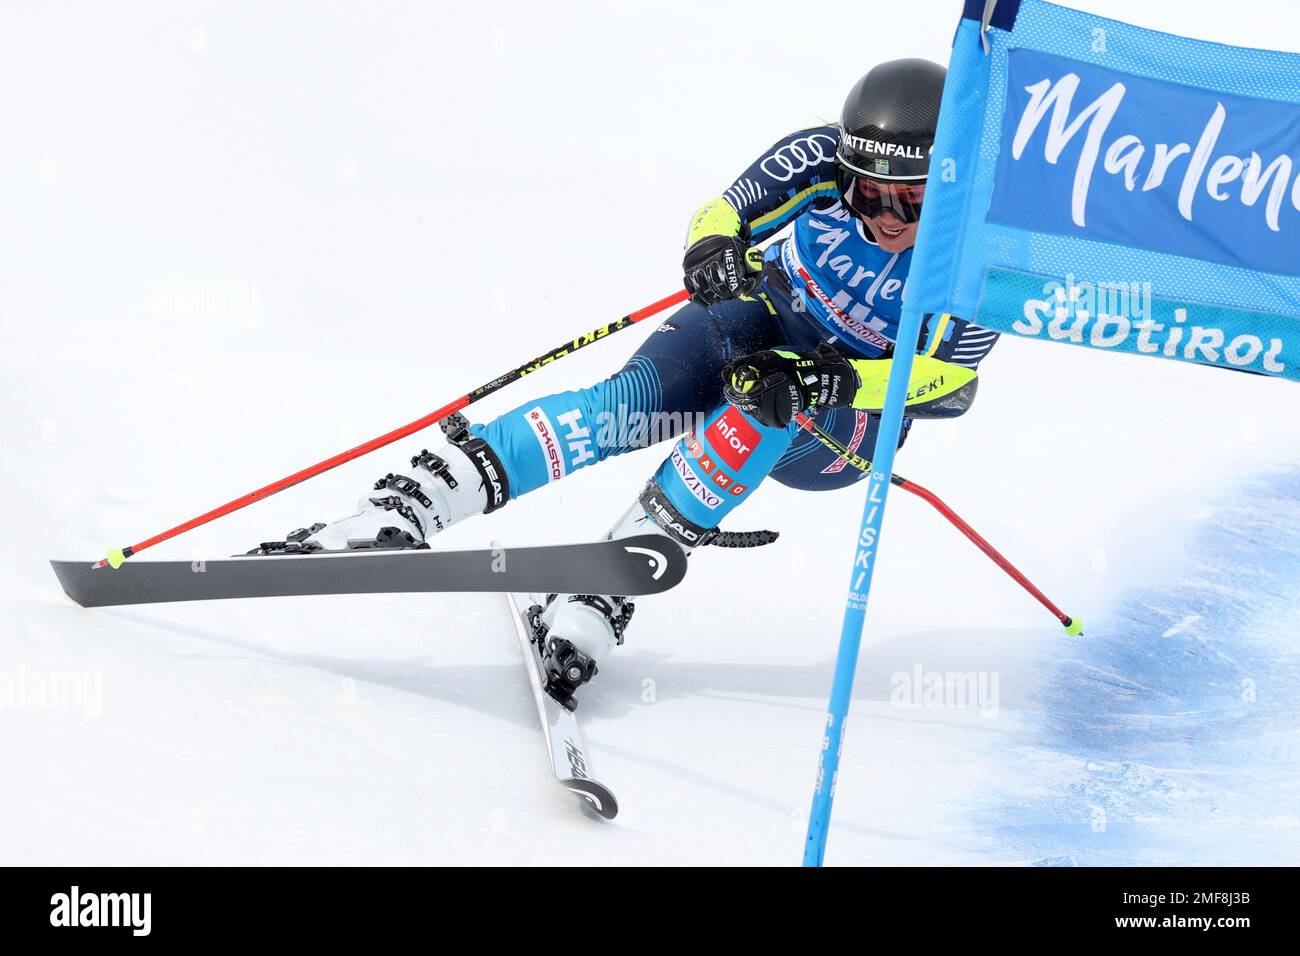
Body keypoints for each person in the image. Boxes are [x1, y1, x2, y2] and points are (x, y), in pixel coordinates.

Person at [251, 58, 999, 710]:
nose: (884, 216)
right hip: (767, 313)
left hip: (853, 405)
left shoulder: (976, 247)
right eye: (866, 195)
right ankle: (411, 503)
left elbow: (946, 384)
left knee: (760, 412)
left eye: (908, 199)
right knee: (627, 407)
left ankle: (604, 586)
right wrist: (712, 247)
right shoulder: (816, 158)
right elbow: (723, 210)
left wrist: (825, 379)